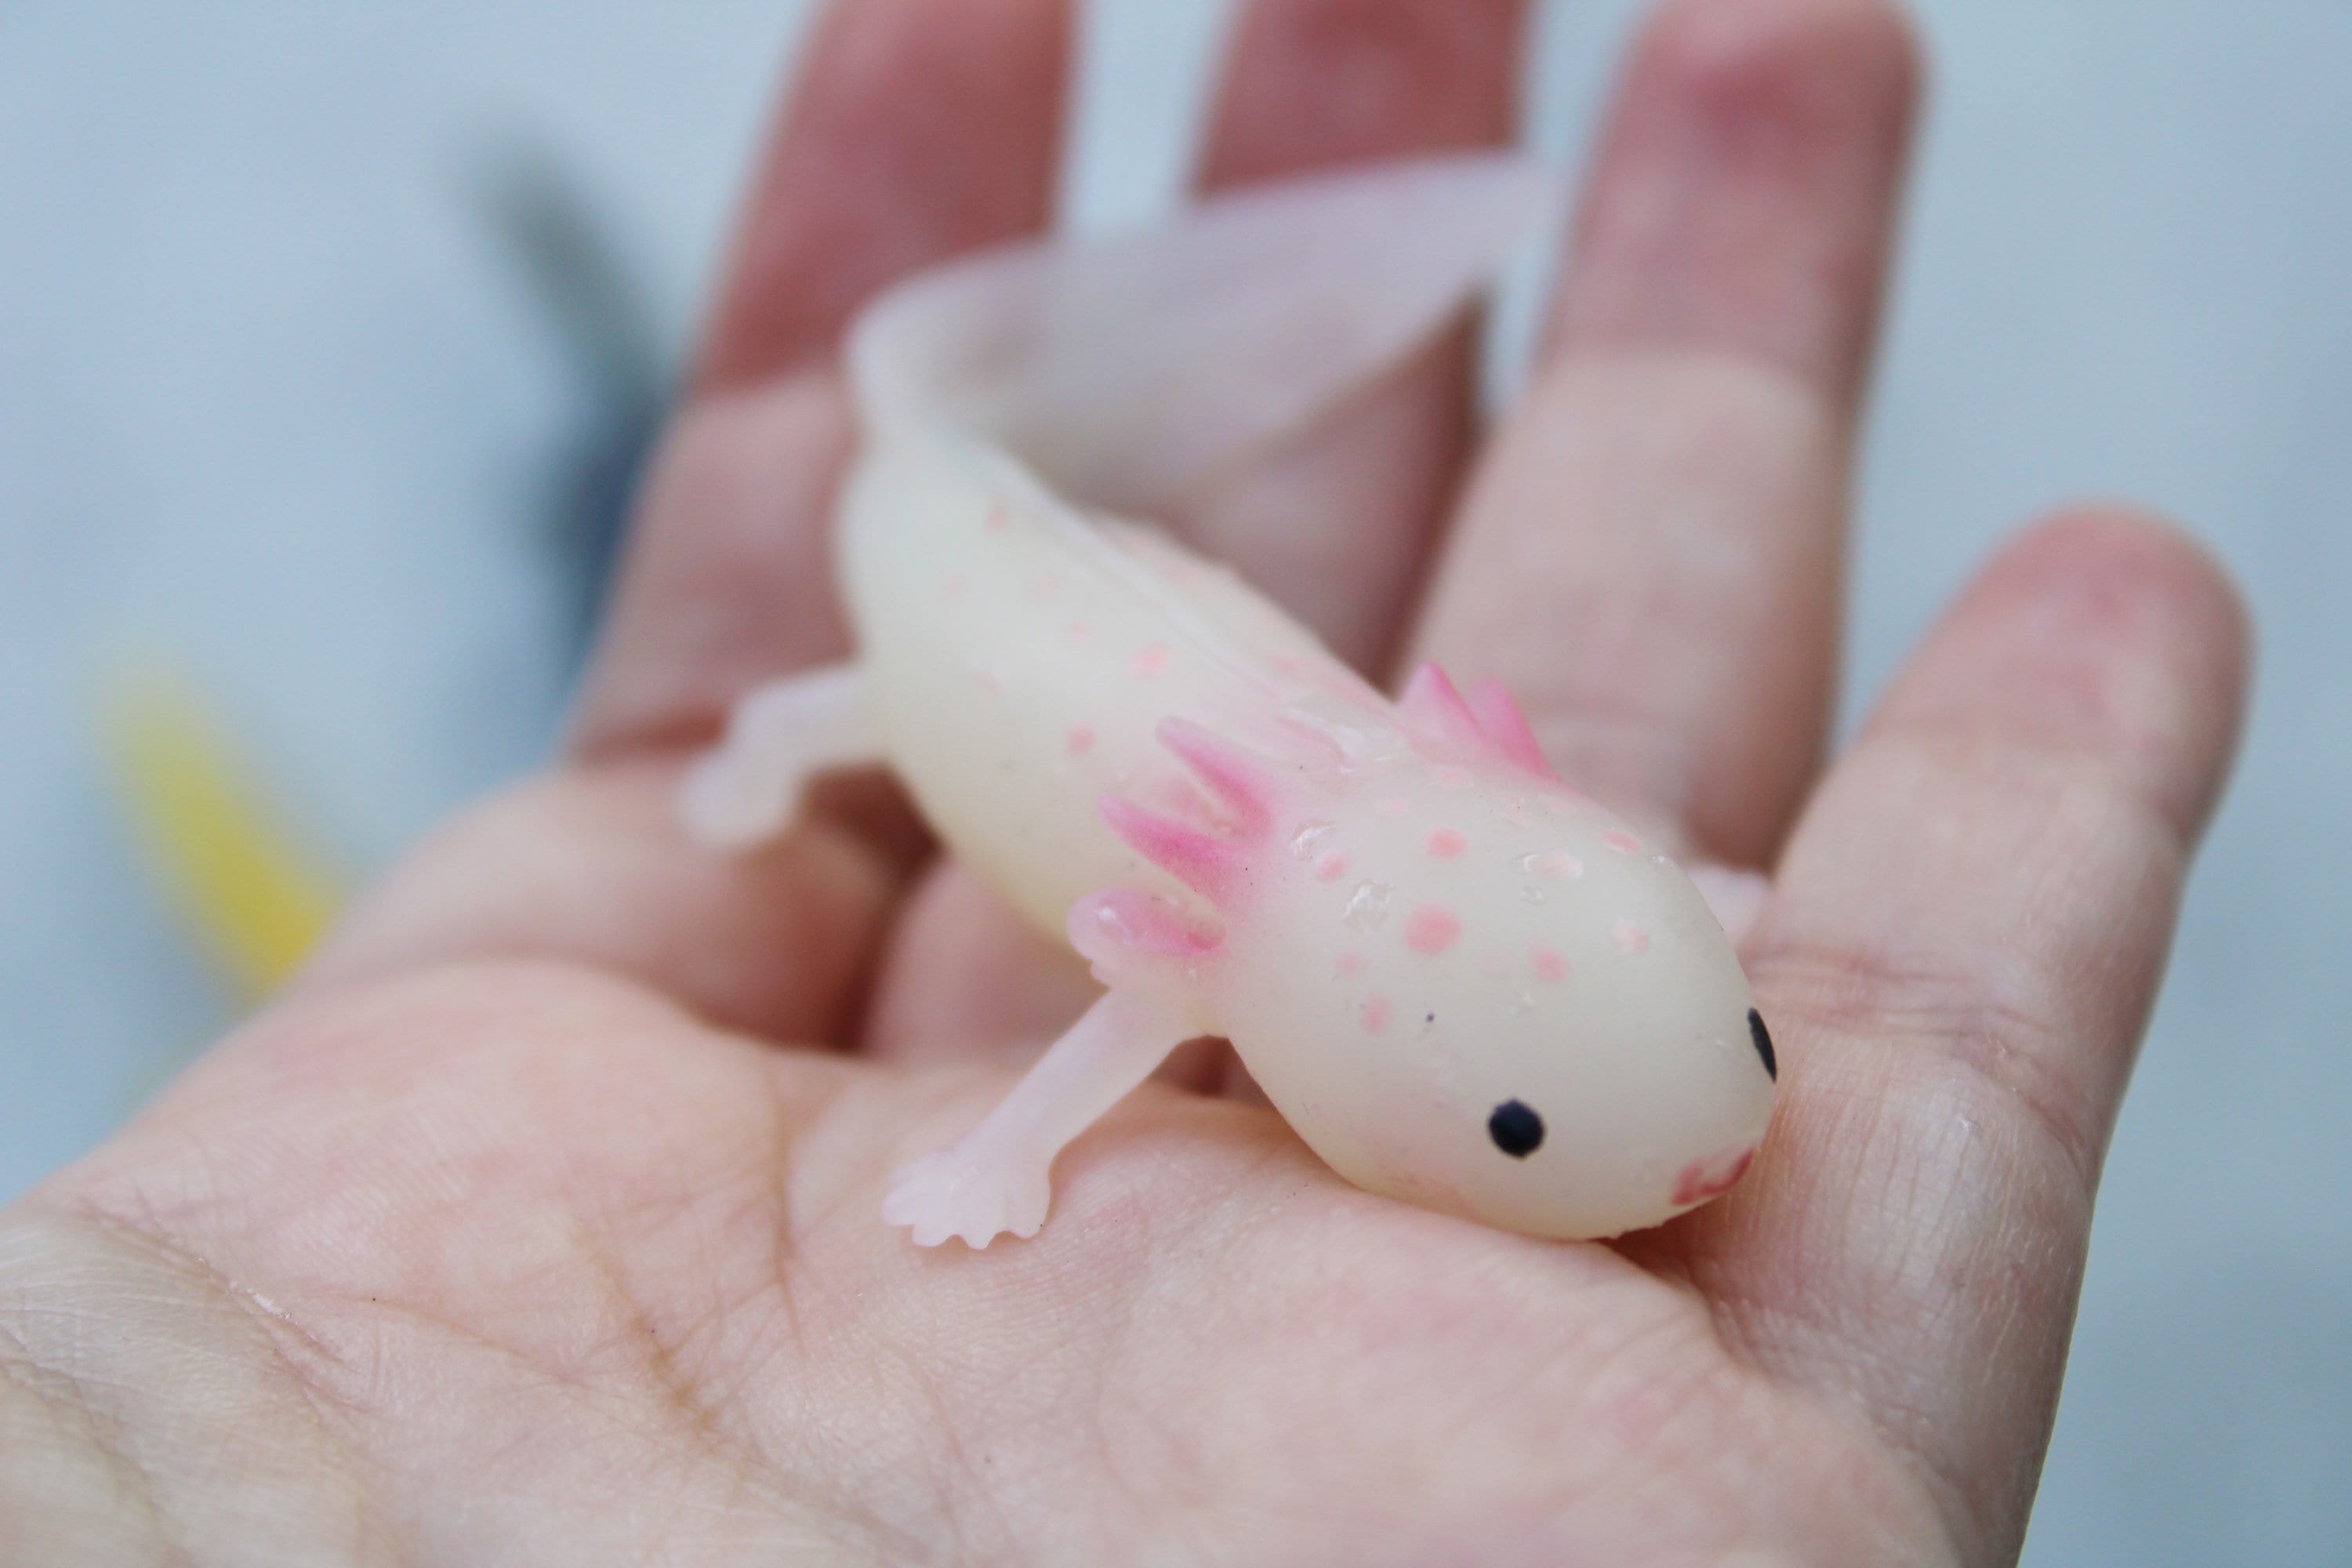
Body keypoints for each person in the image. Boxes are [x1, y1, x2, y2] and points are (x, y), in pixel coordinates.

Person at [0, 0, 2248, 1560]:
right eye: (1527, 1128)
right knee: (843, 663)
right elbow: (1108, 1028)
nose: (1714, 1146)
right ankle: (727, 594)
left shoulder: (1455, 836)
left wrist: (1710, 938)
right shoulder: (1207, 946)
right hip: (942, 589)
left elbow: (1557, 890)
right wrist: (1000, 1153)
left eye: (1722, 1026)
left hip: (1102, 601)